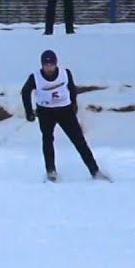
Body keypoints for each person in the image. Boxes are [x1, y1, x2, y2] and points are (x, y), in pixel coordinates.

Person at [20, 49, 108, 182]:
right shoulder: (35, 77)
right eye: (46, 65)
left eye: (51, 65)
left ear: (56, 64)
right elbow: (25, 92)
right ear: (42, 65)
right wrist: (29, 112)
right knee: (48, 140)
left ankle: (95, 170)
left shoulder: (65, 73)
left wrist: (73, 105)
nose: (48, 68)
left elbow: (72, 88)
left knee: (79, 141)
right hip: (45, 111)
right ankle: (51, 171)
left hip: (64, 110)